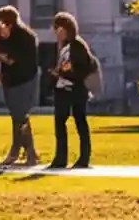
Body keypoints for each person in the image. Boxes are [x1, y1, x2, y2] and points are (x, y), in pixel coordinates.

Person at [0, 5, 40, 167]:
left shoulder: (25, 37)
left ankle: (22, 152)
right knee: (18, 118)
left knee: (21, 116)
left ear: (10, 24)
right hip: (10, 82)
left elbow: (14, 60)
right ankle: (25, 153)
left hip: (24, 81)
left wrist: (1, 57)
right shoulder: (1, 38)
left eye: (1, 24)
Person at [49, 11, 95, 169]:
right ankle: (60, 158)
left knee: (80, 122)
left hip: (75, 90)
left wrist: (66, 72)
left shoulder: (77, 45)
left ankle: (84, 158)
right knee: (60, 123)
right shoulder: (63, 46)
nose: (55, 32)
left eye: (57, 28)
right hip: (62, 89)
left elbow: (85, 67)